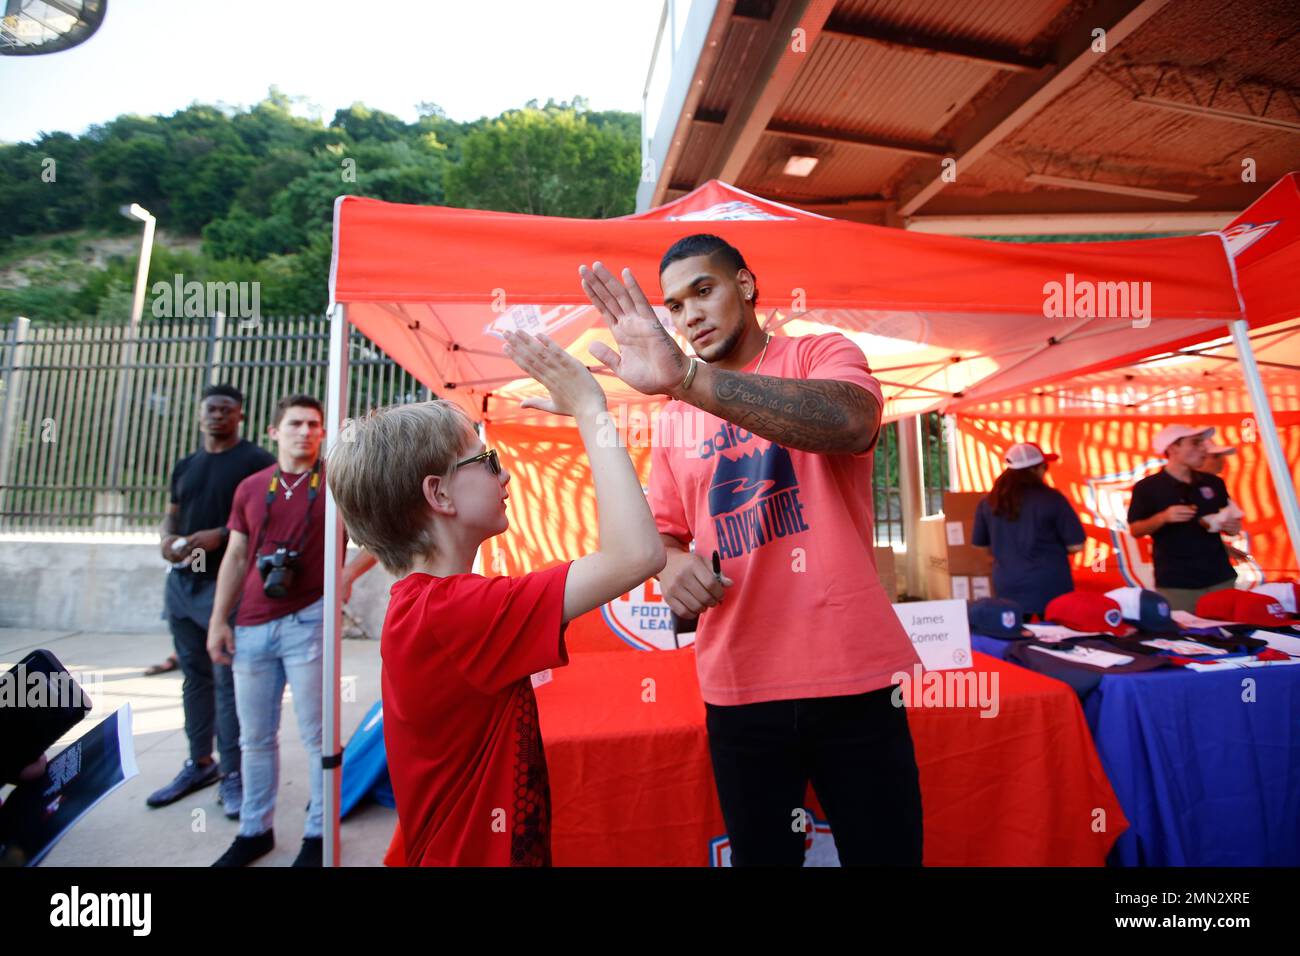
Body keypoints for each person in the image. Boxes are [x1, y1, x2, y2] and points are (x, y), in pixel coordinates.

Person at [579, 235, 923, 866]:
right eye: (676, 307)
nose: (690, 317)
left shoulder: (818, 351)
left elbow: (850, 424)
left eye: (703, 291)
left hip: (854, 672)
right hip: (739, 681)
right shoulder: (674, 418)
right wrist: (675, 565)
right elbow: (662, 533)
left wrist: (688, 379)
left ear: (746, 283)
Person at [326, 331, 664, 866]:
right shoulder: (453, 612)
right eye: (486, 461)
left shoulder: (428, 606)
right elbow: (638, 555)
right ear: (437, 494)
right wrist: (589, 409)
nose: (504, 473)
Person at [206, 394, 377, 867]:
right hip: (253, 624)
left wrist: (345, 576)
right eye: (296, 423)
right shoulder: (250, 487)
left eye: (314, 425)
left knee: (318, 734)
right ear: (274, 432)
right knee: (254, 737)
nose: (305, 431)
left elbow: (383, 535)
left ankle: (320, 833)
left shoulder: (339, 483)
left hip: (310, 619)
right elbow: (237, 556)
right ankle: (254, 830)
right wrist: (219, 619)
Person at [147, 383, 275, 819]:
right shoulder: (187, 463)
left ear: (240, 415)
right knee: (193, 678)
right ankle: (199, 762)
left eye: (225, 409)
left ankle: (234, 774)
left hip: (226, 587)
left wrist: (219, 534)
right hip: (181, 585)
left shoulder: (256, 462)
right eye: (210, 409)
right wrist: (166, 536)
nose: (216, 415)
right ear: (199, 414)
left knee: (225, 683)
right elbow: (172, 509)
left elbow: (267, 518)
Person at [1127, 425, 1241, 612]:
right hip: (1177, 583)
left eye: (1203, 444)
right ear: (1172, 448)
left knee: (1229, 633)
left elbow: (1231, 520)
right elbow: (1136, 529)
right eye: (1196, 443)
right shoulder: (1147, 487)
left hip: (1220, 577)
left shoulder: (1214, 482)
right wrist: (1163, 517)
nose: (1203, 449)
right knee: (1188, 637)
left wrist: (1232, 526)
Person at [971, 442, 1086, 619]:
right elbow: (1076, 545)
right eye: (1045, 467)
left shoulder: (988, 503)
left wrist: (1005, 559)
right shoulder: (1052, 499)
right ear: (1036, 470)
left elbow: (980, 547)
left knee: (1014, 636)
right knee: (1055, 637)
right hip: (1051, 583)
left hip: (1007, 583)